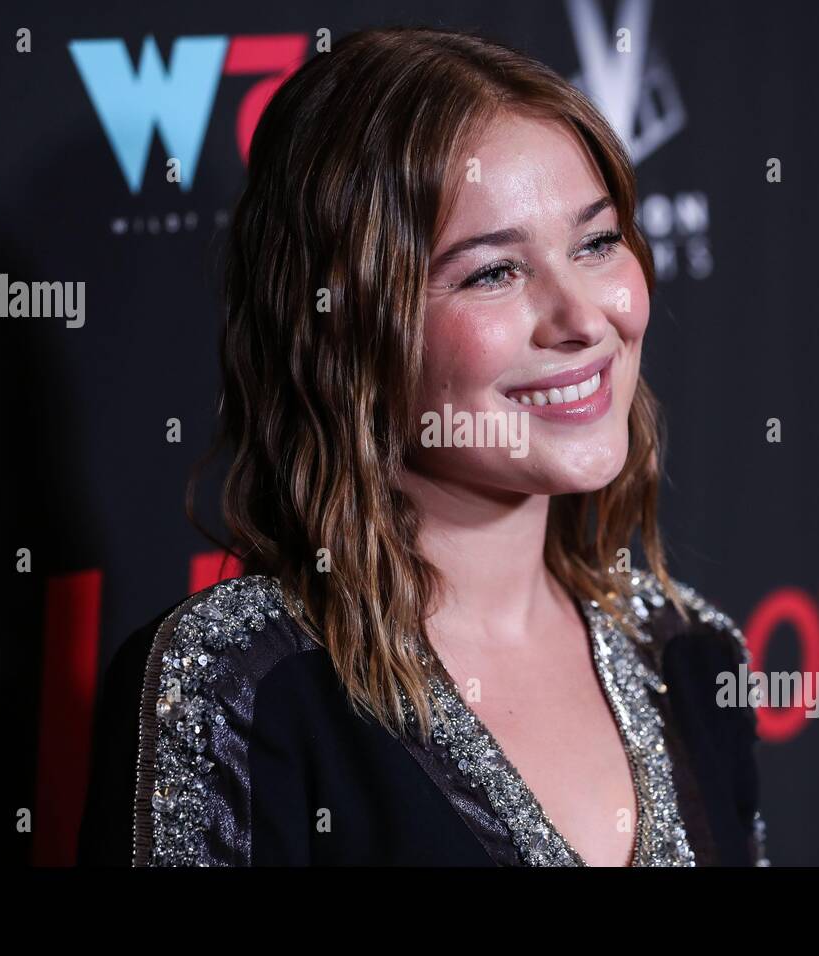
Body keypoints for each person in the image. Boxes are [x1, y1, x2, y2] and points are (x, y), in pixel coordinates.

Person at [78, 25, 767, 867]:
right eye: (493, 272)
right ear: (345, 331)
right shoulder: (241, 688)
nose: (584, 319)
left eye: (596, 242)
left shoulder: (692, 657)